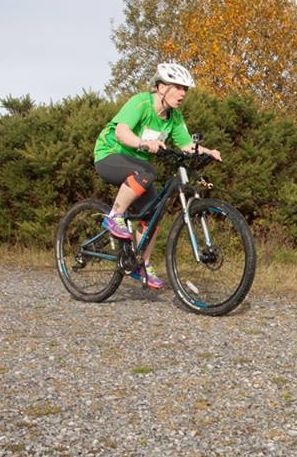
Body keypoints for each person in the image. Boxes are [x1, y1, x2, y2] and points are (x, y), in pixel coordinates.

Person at [93, 63, 221, 289]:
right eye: (178, 87)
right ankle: (114, 216)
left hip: (137, 168)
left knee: (152, 215)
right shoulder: (141, 103)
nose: (183, 94)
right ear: (161, 87)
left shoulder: (174, 117)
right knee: (148, 171)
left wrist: (207, 151)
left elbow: (186, 145)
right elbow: (122, 132)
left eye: (186, 89)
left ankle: (140, 264)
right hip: (110, 155)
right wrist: (142, 143)